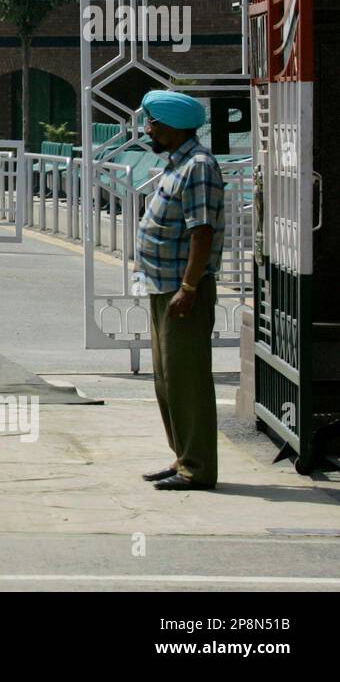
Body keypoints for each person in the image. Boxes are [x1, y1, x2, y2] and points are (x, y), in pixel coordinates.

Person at [135, 90, 225, 491]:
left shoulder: (199, 167)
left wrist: (189, 286)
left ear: (171, 124)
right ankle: (183, 457)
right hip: (163, 287)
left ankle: (198, 468)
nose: (148, 129)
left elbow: (201, 232)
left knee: (187, 382)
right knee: (168, 381)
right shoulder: (178, 164)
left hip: (182, 290)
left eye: (152, 123)